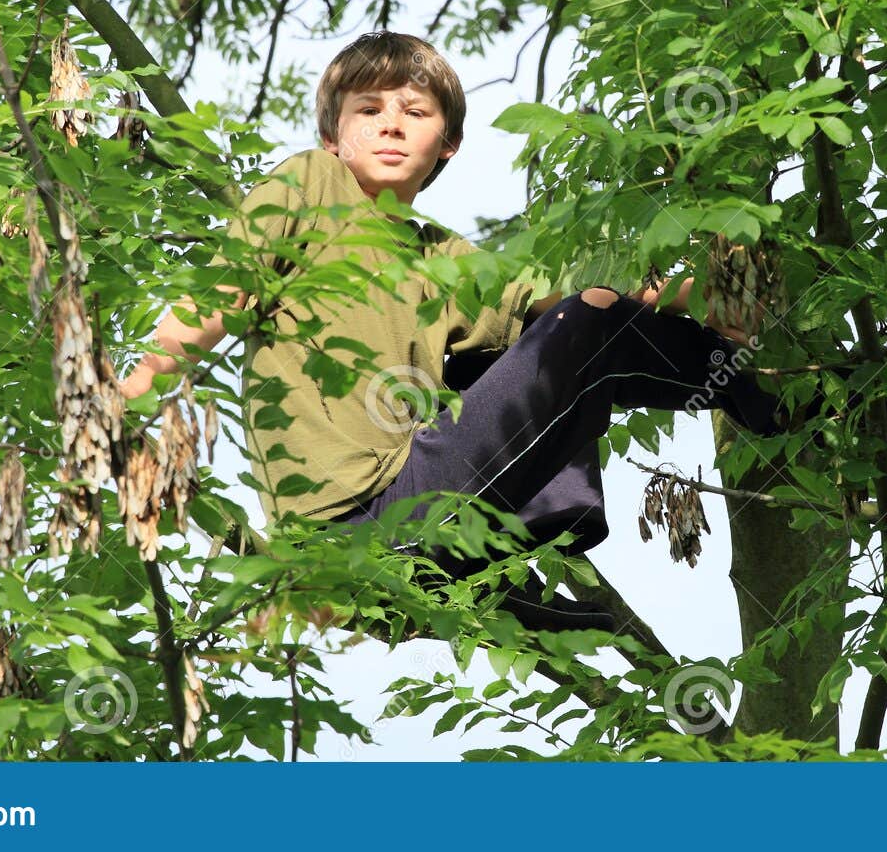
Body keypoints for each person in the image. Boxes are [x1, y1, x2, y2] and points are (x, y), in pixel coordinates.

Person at [118, 31, 780, 632]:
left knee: (550, 330)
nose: (391, 124)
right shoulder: (311, 182)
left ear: (448, 143)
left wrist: (708, 287)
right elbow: (224, 289)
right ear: (332, 136)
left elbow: (562, 305)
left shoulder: (440, 253)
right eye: (369, 109)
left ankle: (498, 570)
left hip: (427, 520)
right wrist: (135, 391)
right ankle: (747, 389)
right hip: (354, 527)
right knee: (585, 319)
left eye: (415, 112)